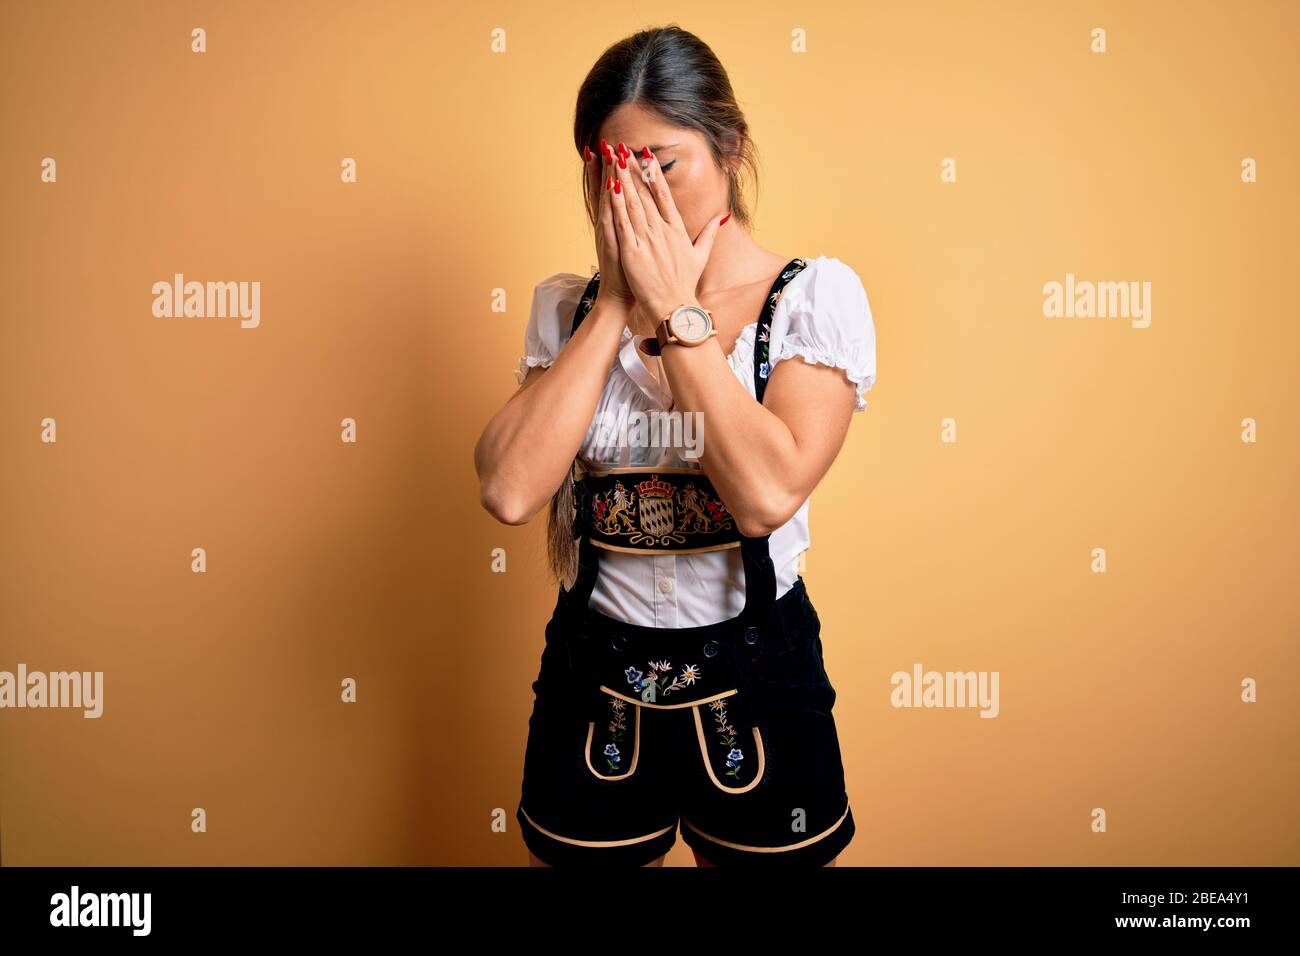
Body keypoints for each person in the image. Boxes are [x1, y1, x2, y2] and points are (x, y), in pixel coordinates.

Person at [474, 25, 876, 867]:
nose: (638, 195)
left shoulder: (811, 300)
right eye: (614, 171)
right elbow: (511, 492)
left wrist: (676, 313)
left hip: (761, 685)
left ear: (729, 147)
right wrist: (620, 300)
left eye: (663, 165)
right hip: (595, 685)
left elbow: (767, 494)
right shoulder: (567, 309)